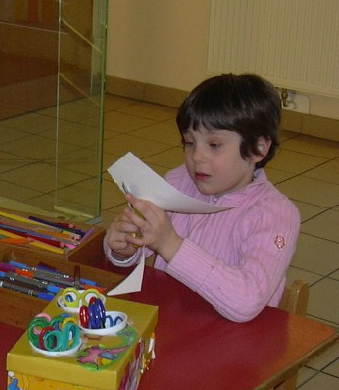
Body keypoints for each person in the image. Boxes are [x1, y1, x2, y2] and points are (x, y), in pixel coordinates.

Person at [104, 73, 299, 322]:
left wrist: (171, 244)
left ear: (259, 148)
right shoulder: (178, 182)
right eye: (189, 143)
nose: (197, 157)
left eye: (214, 145)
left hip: (232, 338)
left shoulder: (275, 214)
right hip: (174, 323)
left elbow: (246, 301)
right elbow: (139, 255)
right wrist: (125, 250)